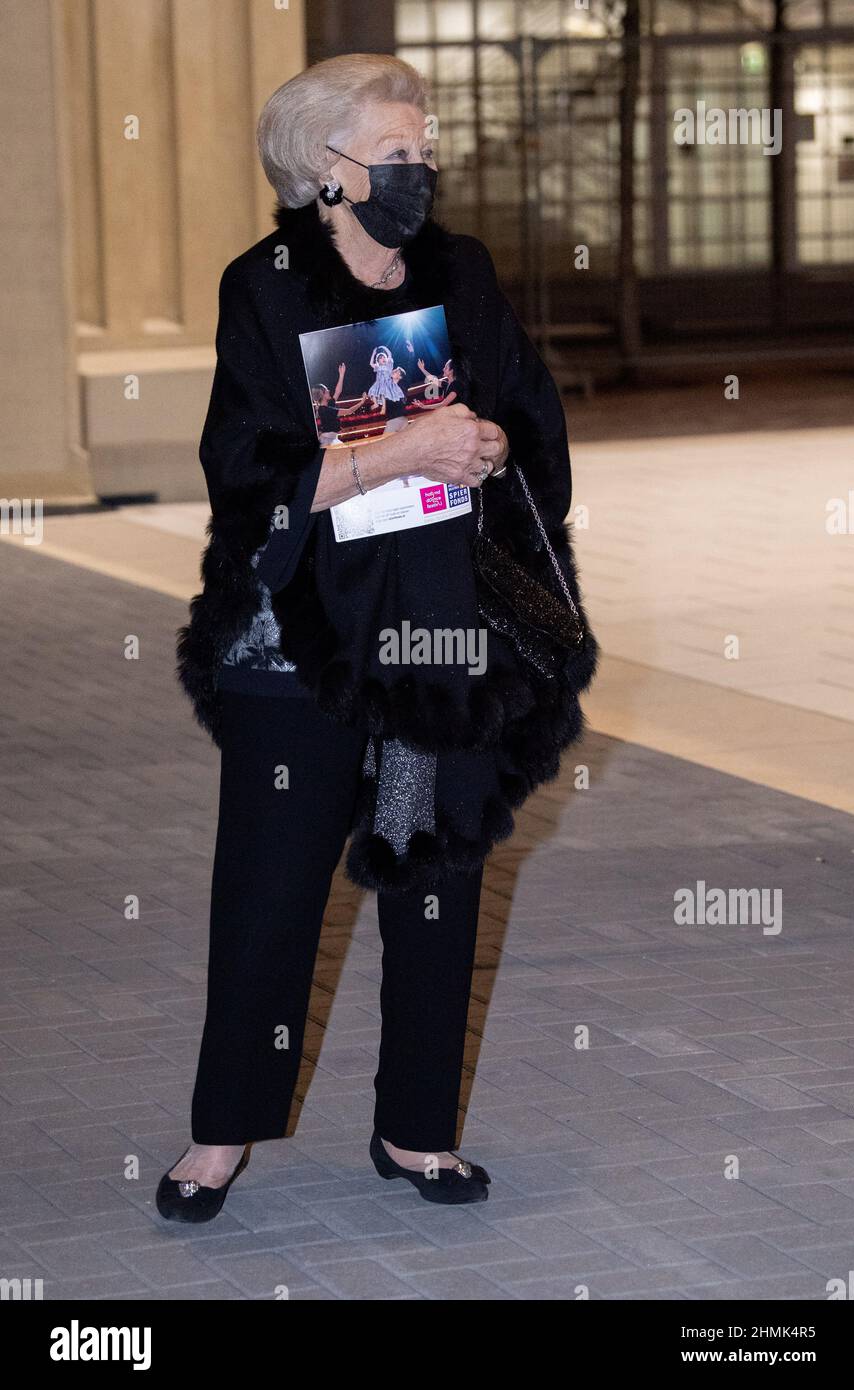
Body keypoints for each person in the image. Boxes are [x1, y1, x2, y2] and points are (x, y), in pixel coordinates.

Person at [160, 52, 597, 1224]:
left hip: (438, 627)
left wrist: (488, 445)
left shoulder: (462, 272)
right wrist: (400, 450)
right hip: (294, 640)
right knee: (271, 884)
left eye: (425, 147)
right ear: (326, 167)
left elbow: (528, 421)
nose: (422, 168)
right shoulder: (264, 286)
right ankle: (222, 1130)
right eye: (397, 151)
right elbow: (245, 475)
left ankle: (416, 1126)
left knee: (435, 868)